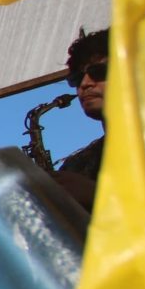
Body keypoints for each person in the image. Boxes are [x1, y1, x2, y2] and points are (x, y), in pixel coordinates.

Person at [53, 28, 109, 207]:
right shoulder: (76, 165)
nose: (84, 84)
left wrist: (97, 196)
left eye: (98, 72)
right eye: (77, 78)